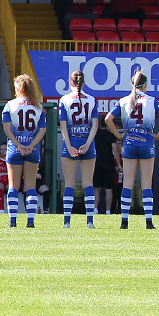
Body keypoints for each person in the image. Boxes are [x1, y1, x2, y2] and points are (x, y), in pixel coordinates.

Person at [104, 71, 159, 229]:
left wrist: (119, 135)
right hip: (146, 144)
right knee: (146, 184)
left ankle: (124, 222)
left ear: (132, 84)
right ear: (146, 85)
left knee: (127, 184)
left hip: (129, 144)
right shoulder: (152, 100)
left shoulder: (123, 101)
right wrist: (158, 135)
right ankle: (148, 222)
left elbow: (108, 119)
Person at [54, 70, 99, 228]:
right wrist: (88, 143)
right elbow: (95, 125)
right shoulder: (92, 100)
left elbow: (63, 125)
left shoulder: (64, 100)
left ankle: (67, 222)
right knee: (88, 183)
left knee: (69, 183)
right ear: (84, 83)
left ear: (70, 82)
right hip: (88, 142)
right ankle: (90, 222)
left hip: (71, 142)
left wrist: (68, 145)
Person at [1, 73, 47, 228]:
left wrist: (19, 145)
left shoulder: (10, 105)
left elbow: (7, 129)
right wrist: (32, 145)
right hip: (32, 150)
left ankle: (12, 221)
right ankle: (30, 221)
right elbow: (42, 130)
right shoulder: (38, 107)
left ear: (18, 87)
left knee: (13, 186)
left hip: (15, 149)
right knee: (31, 186)